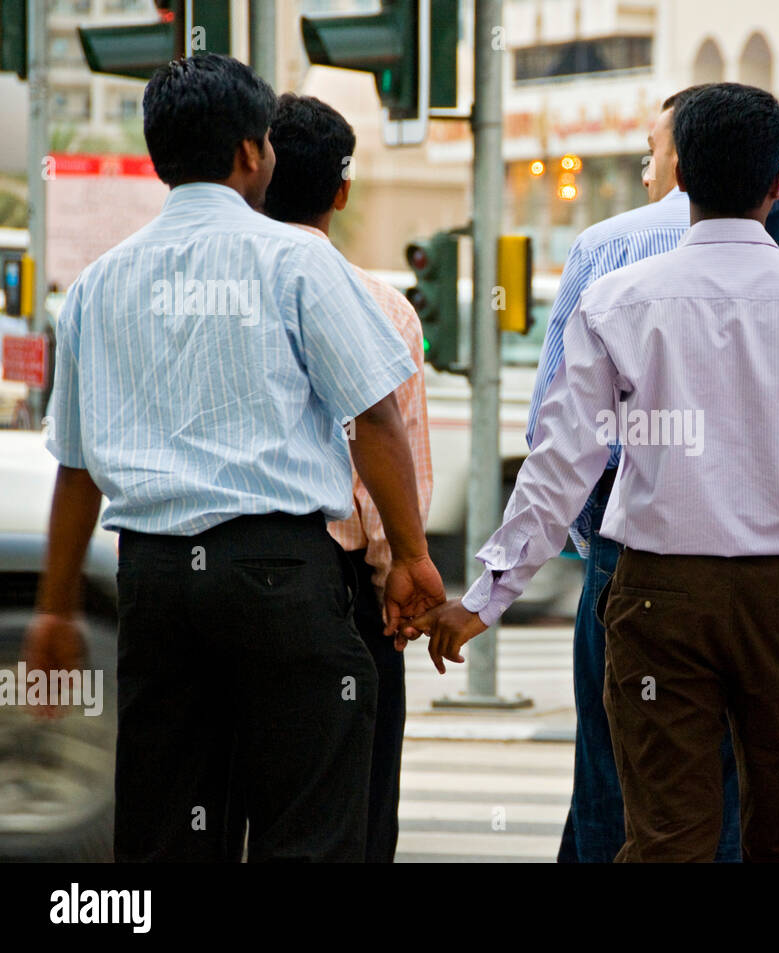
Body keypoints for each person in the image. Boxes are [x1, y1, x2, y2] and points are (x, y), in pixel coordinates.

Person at [411, 82, 779, 862]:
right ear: (775, 184)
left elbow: (560, 462)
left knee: (664, 834)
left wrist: (484, 598)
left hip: (653, 595)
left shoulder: (619, 300)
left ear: (680, 177)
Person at [24, 54, 445, 862]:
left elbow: (74, 468)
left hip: (152, 583)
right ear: (253, 152)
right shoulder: (297, 261)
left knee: (166, 829)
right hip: (279, 574)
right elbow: (375, 416)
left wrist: (52, 608)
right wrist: (413, 555)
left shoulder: (98, 283)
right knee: (310, 823)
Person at [262, 93, 434, 863]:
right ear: (343, 190)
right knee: (353, 814)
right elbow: (390, 457)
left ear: (254, 169)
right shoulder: (385, 308)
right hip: (338, 589)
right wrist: (401, 566)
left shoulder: (211, 291)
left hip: (210, 571)